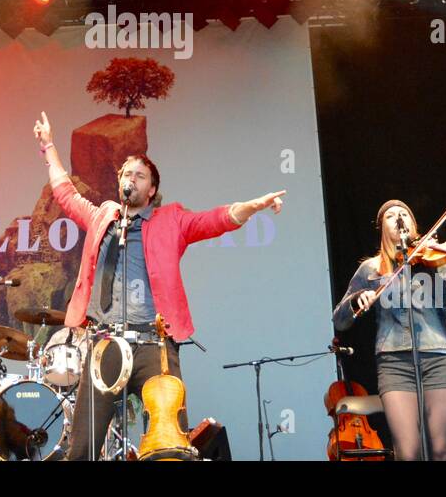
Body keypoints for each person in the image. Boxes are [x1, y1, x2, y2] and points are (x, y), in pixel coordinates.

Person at [32, 111, 285, 461]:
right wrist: (48, 146)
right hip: (104, 344)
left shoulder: (172, 219)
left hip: (154, 344)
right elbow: (65, 192)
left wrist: (253, 206)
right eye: (126, 173)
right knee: (83, 449)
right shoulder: (102, 216)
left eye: (140, 175)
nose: (131, 178)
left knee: (170, 446)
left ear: (151, 189)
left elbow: (214, 220)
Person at [333, 200, 446, 461]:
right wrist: (356, 299)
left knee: (442, 451)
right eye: (390, 216)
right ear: (382, 228)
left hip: (439, 358)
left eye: (404, 213)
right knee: (408, 453)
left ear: (414, 224)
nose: (398, 218)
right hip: (394, 362)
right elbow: (340, 321)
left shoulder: (434, 259)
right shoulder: (371, 269)